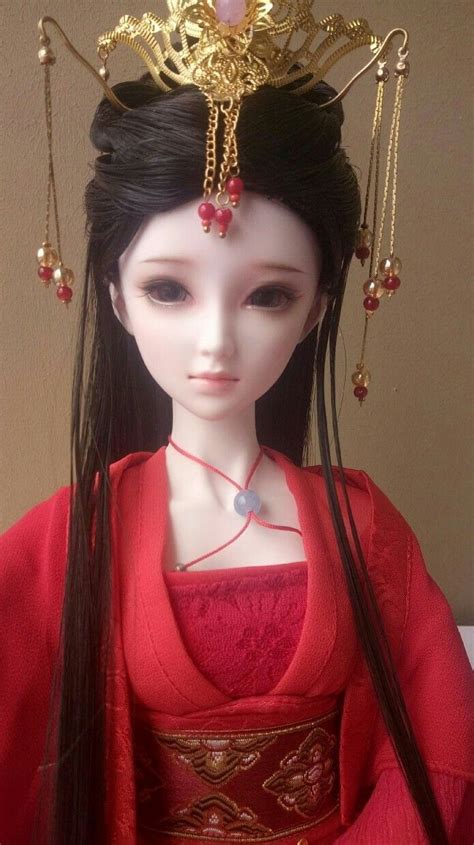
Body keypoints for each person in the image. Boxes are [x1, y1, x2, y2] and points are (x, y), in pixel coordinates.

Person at [1, 6, 473, 845]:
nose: (216, 340)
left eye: (268, 295)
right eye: (168, 290)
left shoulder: (365, 530)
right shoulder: (68, 543)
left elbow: (439, 748)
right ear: (117, 299)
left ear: (317, 308)